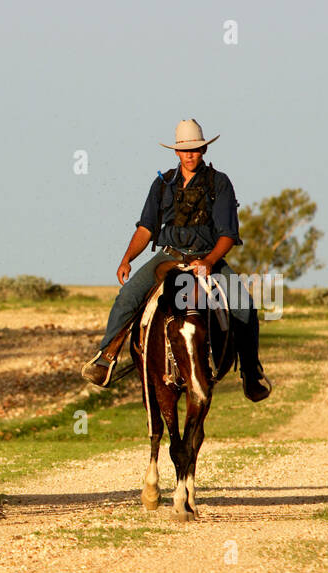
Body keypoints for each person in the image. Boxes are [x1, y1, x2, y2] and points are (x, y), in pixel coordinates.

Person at [81, 119, 270, 401]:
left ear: (204, 149)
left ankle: (251, 374)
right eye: (185, 150)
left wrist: (209, 261)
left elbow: (228, 234)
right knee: (127, 296)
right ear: (176, 152)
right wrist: (127, 258)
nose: (190, 154)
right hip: (167, 258)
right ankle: (106, 358)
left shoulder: (220, 183)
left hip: (209, 261)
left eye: (195, 149)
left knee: (244, 307)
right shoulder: (161, 184)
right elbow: (146, 228)